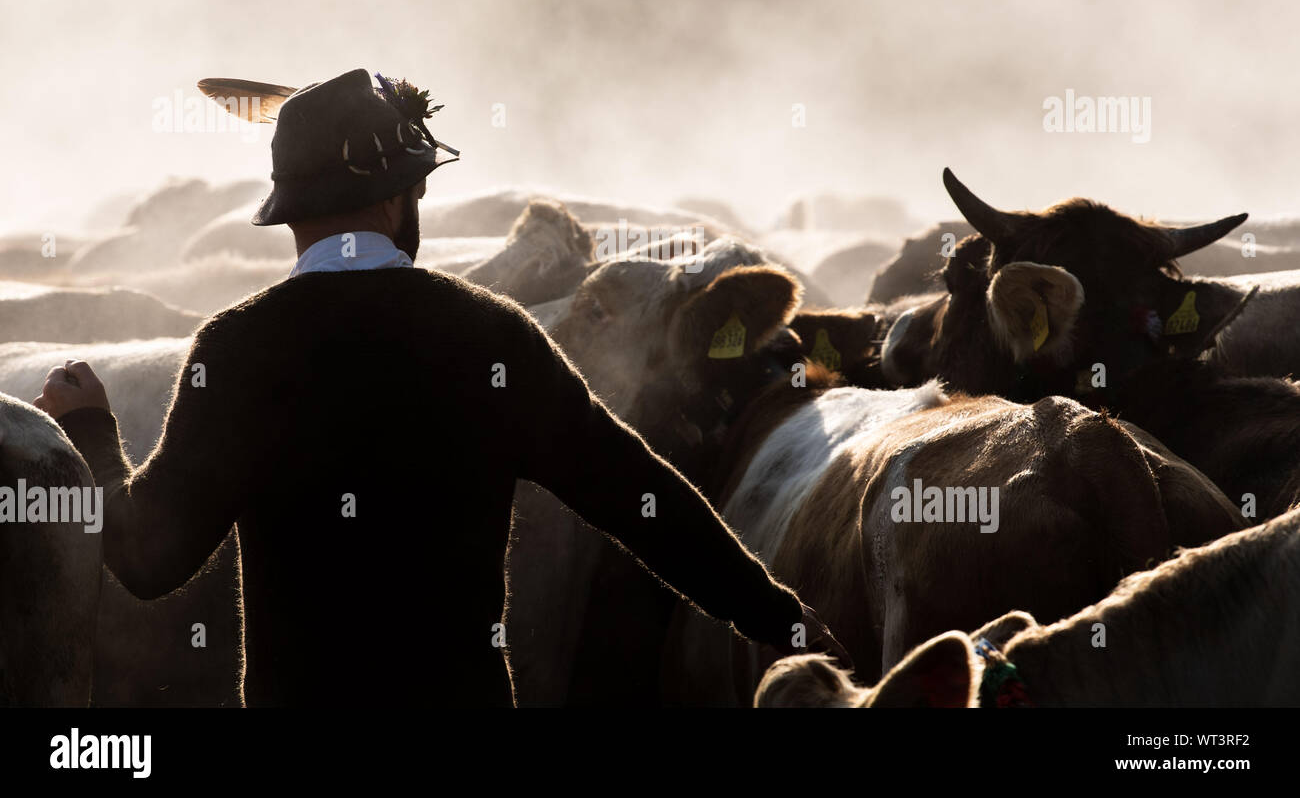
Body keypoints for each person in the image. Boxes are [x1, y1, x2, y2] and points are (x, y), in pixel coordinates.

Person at [37, 68, 839, 706]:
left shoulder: (237, 349)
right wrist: (777, 615)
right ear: (395, 197)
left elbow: (148, 560)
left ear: (289, 210)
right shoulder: (489, 337)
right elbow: (635, 496)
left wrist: (91, 434)